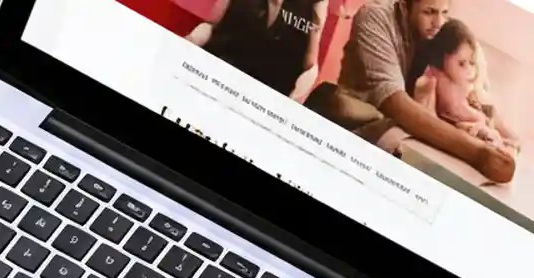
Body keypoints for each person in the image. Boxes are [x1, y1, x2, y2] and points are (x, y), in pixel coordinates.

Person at [308, 0, 515, 182]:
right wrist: (478, 153)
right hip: (352, 133)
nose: (439, 22)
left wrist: (495, 126)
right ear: (405, 6)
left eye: (444, 12)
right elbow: (397, 104)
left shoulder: (439, 33)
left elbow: (473, 86)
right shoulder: (374, 17)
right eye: (429, 12)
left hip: (401, 138)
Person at [411, 19, 520, 153]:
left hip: (477, 107)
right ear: (442, 58)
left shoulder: (465, 80)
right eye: (462, 63)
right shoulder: (437, 78)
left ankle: (513, 144)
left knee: (505, 128)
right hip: (465, 121)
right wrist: (480, 120)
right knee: (494, 135)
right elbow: (455, 109)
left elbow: (476, 99)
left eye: (472, 63)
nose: (469, 70)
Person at [187, 0, 330, 101]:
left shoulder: (316, 3)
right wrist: (189, 42)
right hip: (219, 70)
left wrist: (289, 100)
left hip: (266, 91)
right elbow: (212, 25)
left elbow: (310, 63)